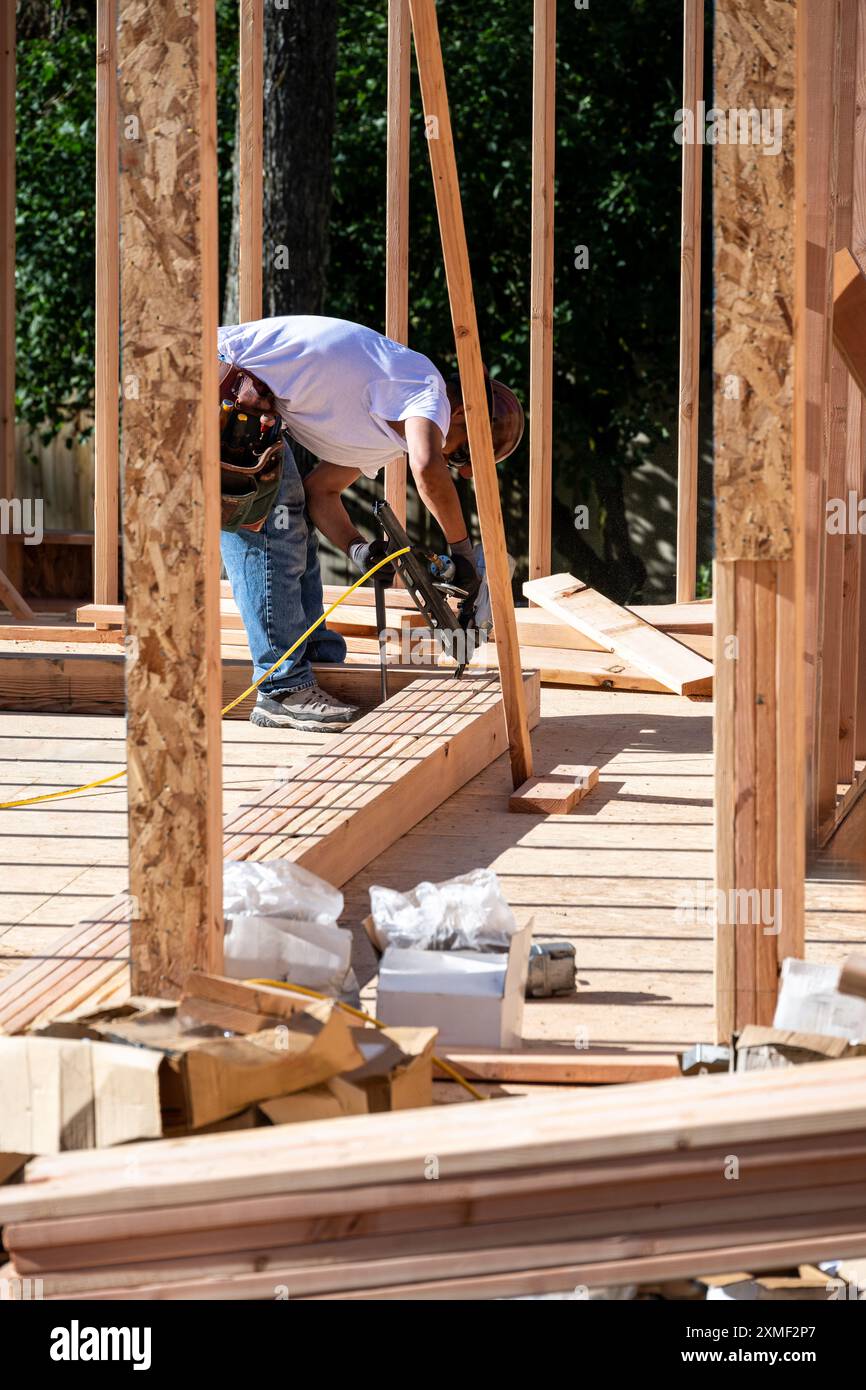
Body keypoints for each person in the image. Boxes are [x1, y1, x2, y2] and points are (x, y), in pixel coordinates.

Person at [218, 315, 524, 732]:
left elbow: (321, 493)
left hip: (234, 394)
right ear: (457, 414)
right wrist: (463, 555)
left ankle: (314, 660)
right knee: (274, 525)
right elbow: (427, 469)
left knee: (292, 518)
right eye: (459, 454)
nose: (451, 462)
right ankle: (282, 689)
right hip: (214, 380)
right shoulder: (426, 388)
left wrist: (358, 548)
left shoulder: (387, 428)